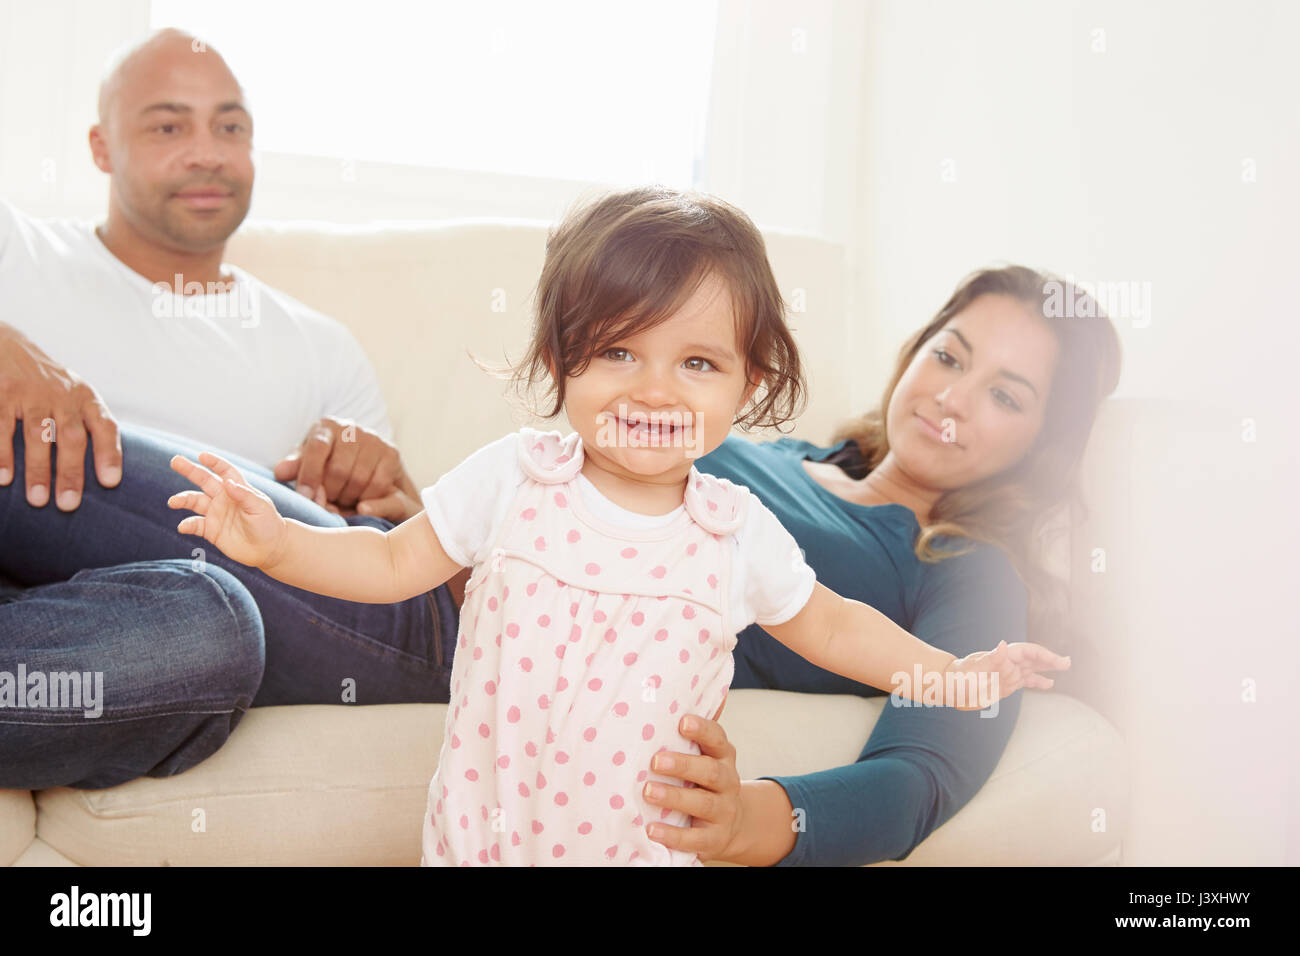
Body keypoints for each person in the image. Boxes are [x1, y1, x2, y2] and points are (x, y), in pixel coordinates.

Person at [164, 186, 1070, 866]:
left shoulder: (739, 527)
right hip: (480, 838)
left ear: (744, 388)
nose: (653, 389)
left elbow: (831, 625)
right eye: (619, 350)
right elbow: (396, 559)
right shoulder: (518, 471)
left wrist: (951, 678)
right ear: (564, 356)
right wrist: (280, 544)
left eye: (699, 363)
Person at [0, 28, 464, 789]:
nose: (207, 152)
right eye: (168, 125)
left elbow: (398, 565)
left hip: (109, 629)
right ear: (101, 146)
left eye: (231, 127)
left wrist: (388, 492)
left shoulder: (323, 348)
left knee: (208, 630)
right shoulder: (19, 251)